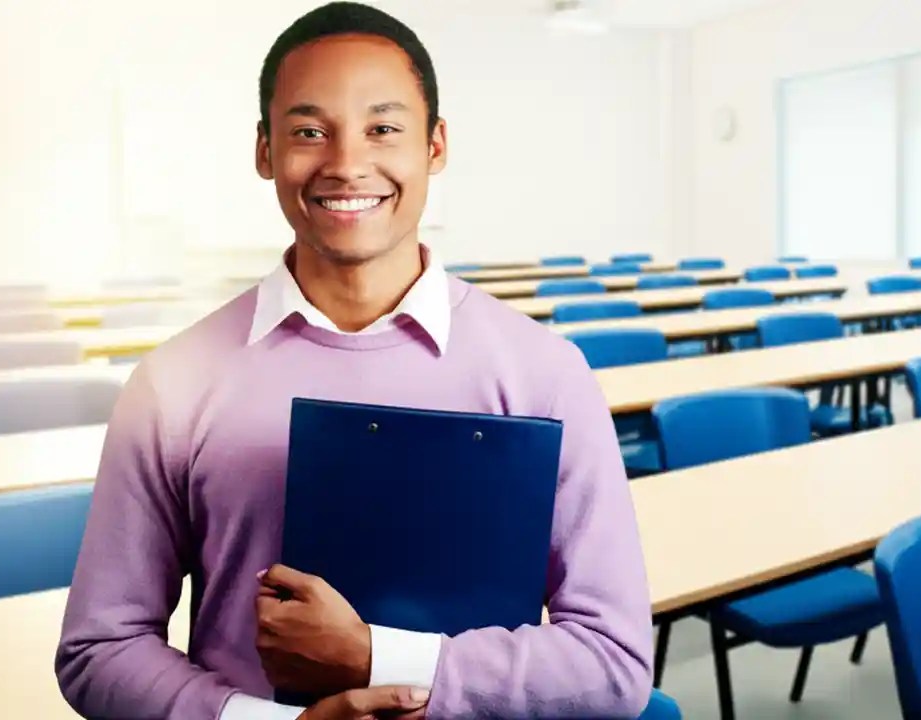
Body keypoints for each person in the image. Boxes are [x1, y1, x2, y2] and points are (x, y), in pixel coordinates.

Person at [54, 2, 654, 718]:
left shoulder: (544, 372)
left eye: (383, 128)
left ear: (435, 146)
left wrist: (377, 656)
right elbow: (99, 649)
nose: (345, 163)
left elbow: (614, 665)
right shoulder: (174, 383)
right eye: (309, 131)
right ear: (265, 150)